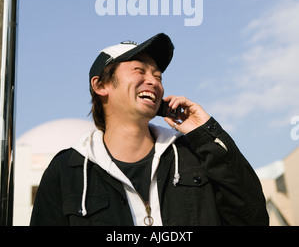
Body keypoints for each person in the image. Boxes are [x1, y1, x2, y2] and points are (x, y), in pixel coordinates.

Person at [30, 33, 269, 226]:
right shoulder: (67, 171)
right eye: (139, 71)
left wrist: (204, 132)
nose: (154, 81)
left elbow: (253, 217)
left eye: (158, 76)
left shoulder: (192, 155)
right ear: (101, 85)